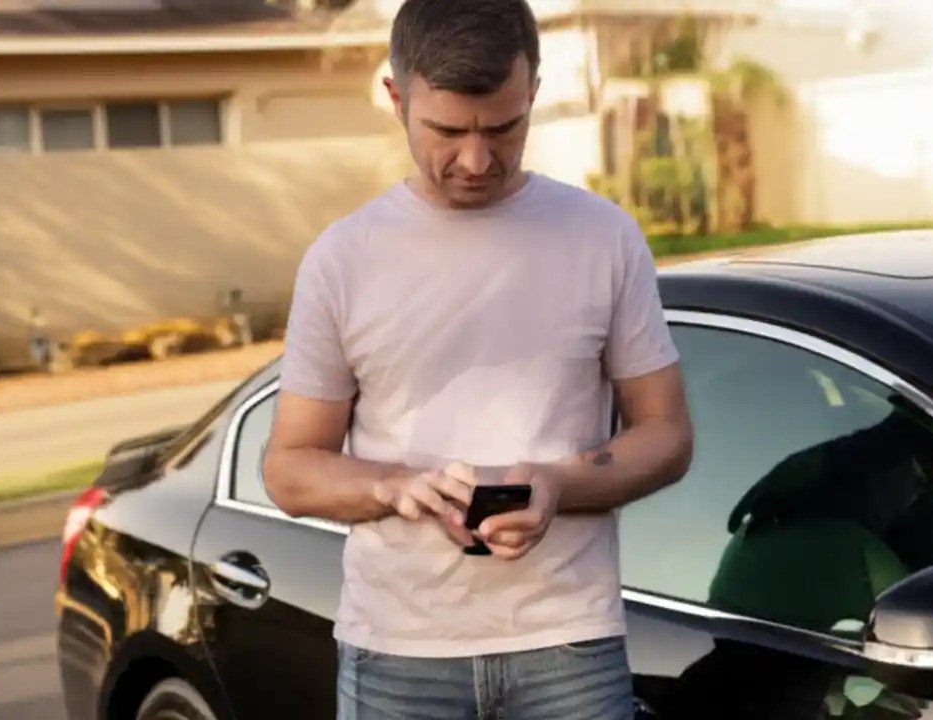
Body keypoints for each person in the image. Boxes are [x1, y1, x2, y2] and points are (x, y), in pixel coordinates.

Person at [260, 0, 694, 718]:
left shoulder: (604, 238)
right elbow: (290, 467)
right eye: (447, 131)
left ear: (533, 93)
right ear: (397, 98)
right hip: (397, 654)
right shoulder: (343, 259)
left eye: (502, 129)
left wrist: (555, 484)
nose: (475, 160)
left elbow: (667, 434)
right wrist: (395, 487)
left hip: (569, 645)